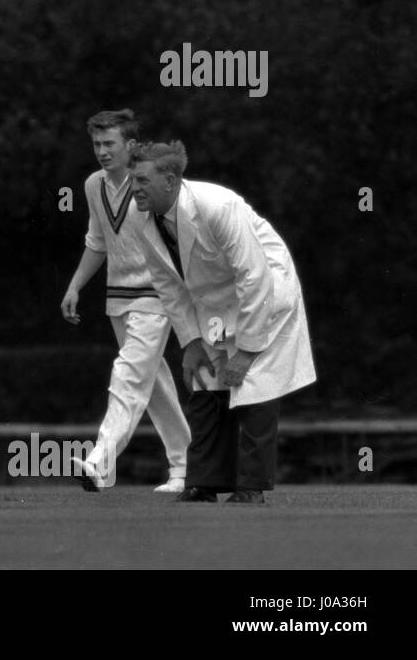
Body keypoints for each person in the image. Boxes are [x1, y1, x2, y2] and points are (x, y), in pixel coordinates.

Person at [127, 141, 316, 504]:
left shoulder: (217, 205)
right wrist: (191, 343)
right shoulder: (138, 215)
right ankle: (205, 482)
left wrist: (246, 351)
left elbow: (253, 274)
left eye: (141, 180)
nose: (134, 188)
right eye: (132, 180)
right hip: (216, 301)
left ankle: (251, 487)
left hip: (267, 289)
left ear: (169, 180)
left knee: (255, 385)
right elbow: (167, 282)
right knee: (205, 380)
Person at [61, 109, 189, 492]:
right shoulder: (93, 185)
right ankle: (186, 466)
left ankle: (99, 461)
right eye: (96, 144)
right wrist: (75, 286)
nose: (102, 151)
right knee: (153, 386)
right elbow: (97, 241)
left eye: (109, 144)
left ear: (130, 145)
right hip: (117, 298)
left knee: (129, 375)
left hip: (156, 295)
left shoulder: (148, 184)